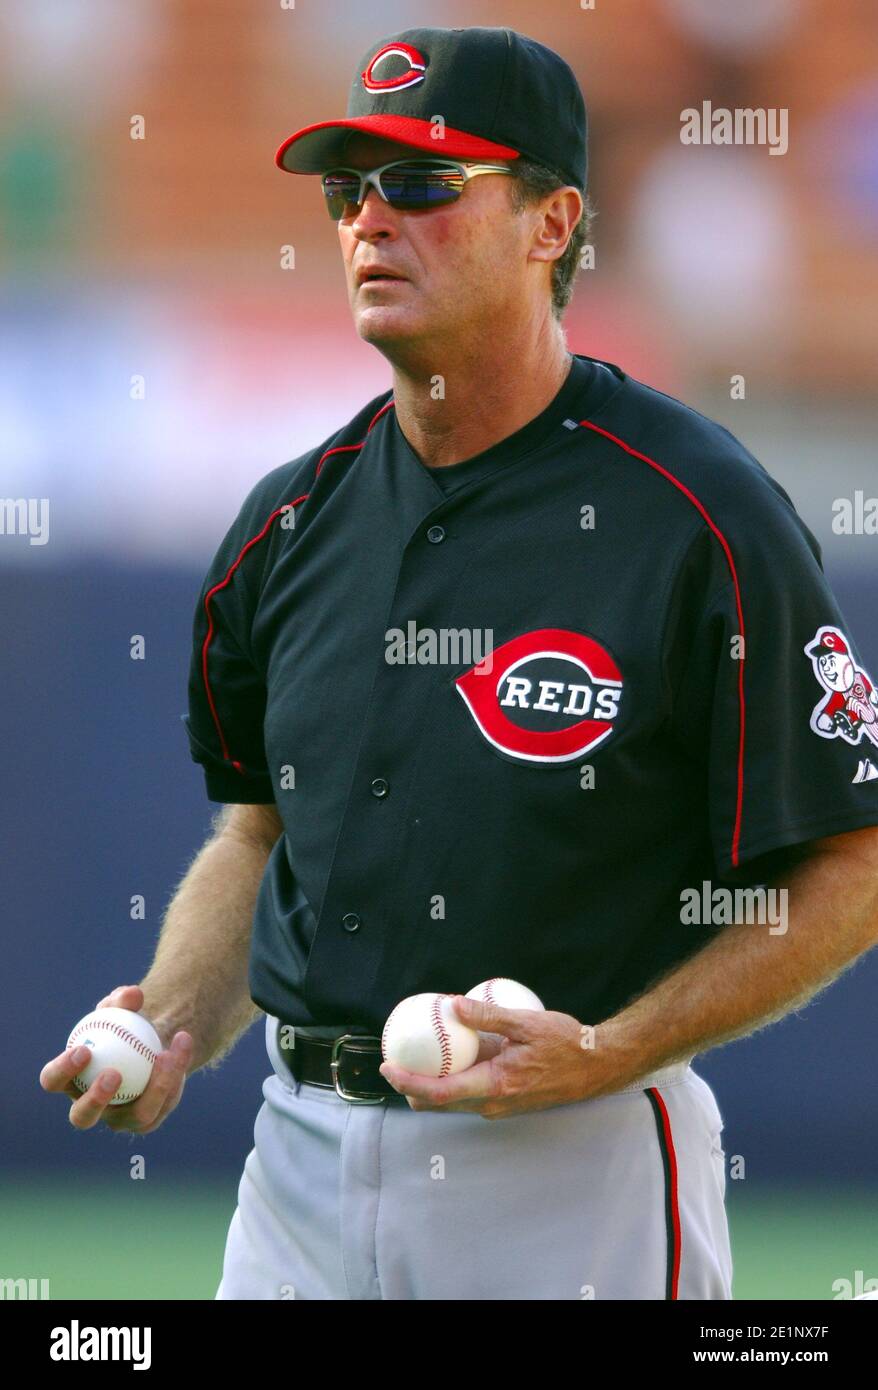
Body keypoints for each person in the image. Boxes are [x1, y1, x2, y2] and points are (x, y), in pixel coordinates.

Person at [41, 26, 878, 1301]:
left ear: (552, 224)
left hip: (570, 1172)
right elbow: (260, 836)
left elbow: (850, 858)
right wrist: (167, 1026)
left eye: (424, 185)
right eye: (348, 190)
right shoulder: (285, 522)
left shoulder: (695, 508)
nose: (373, 219)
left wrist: (609, 1049)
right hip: (298, 1169)